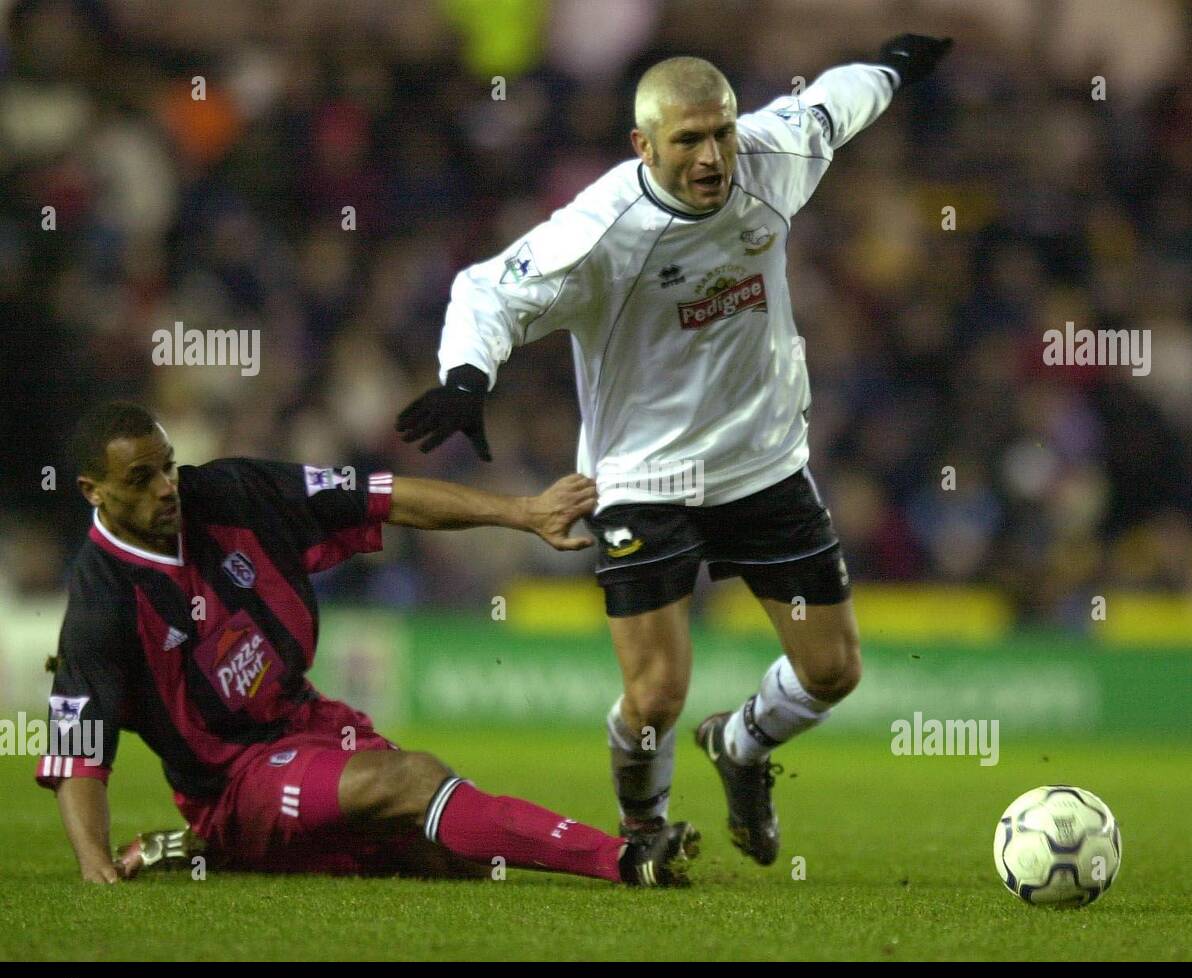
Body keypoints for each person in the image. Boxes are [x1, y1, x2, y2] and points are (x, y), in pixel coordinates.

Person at [396, 36, 953, 863]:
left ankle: (741, 745)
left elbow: (837, 106)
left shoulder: (769, 156)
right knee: (655, 694)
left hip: (763, 465)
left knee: (833, 671)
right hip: (644, 476)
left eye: (721, 133)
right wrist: (467, 378)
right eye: (688, 140)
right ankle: (645, 830)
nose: (712, 155)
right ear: (643, 146)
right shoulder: (603, 230)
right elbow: (488, 290)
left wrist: (896, 65)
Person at [36, 401, 700, 886]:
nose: (165, 488)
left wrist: (521, 512)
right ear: (93, 491)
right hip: (234, 783)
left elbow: (382, 498)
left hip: (308, 722)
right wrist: (94, 865)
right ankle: (623, 858)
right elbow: (78, 751)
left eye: (168, 468)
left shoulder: (234, 491)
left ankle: (218, 851)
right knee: (412, 781)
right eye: (141, 479)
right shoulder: (101, 602)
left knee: (459, 860)